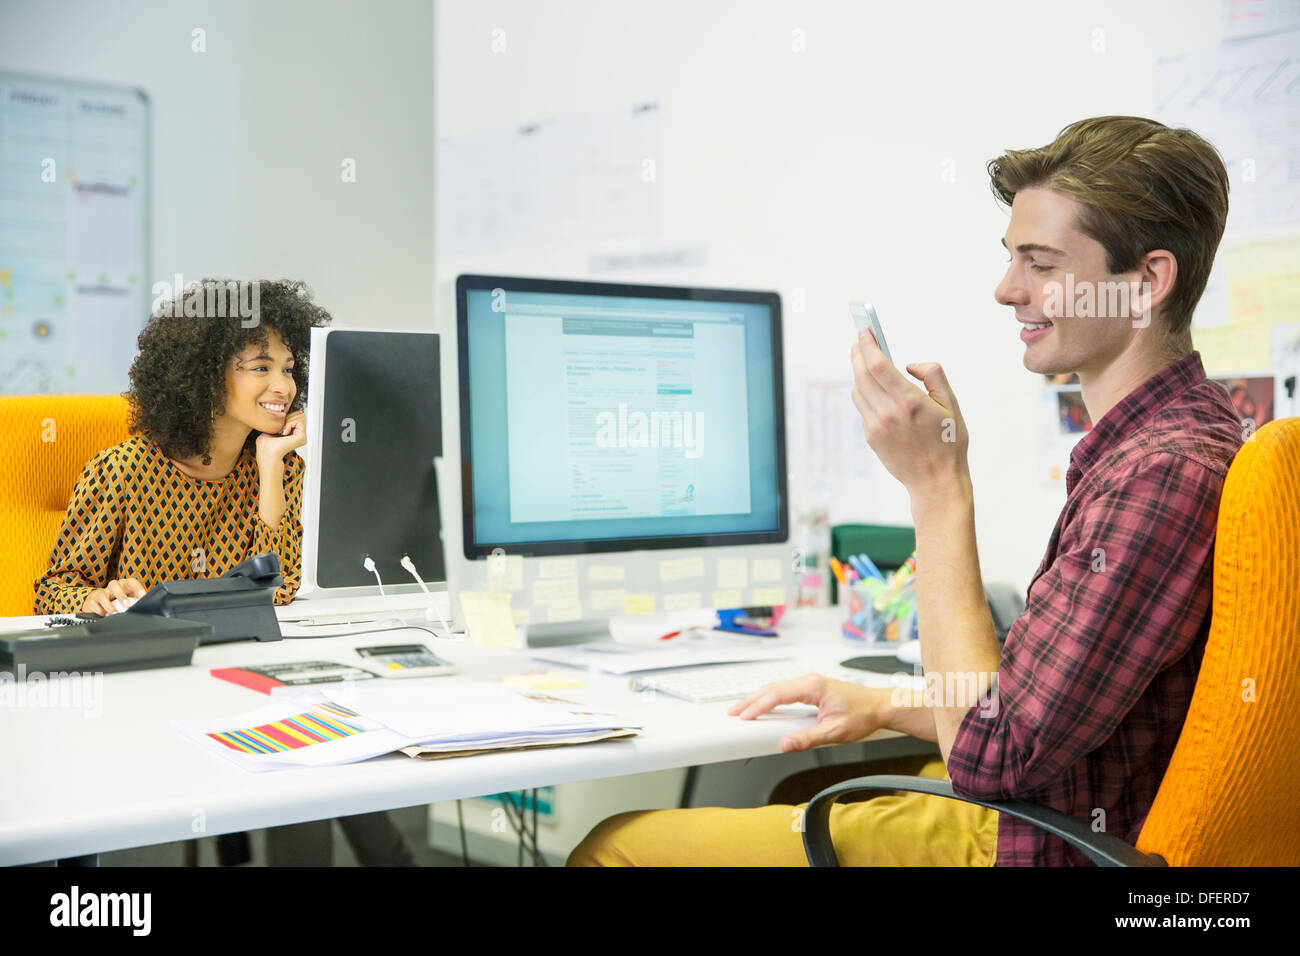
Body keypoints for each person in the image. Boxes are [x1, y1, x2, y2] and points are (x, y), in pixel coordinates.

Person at [569, 116, 1244, 866]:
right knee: (794, 782)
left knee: (616, 846)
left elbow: (993, 755)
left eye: (1042, 264)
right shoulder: (1192, 434)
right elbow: (1042, 711)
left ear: (1146, 282)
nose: (1006, 289)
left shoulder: (1159, 477)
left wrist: (937, 486)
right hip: (1073, 805)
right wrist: (886, 702)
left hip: (1051, 843)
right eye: (1011, 258)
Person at [34, 279, 414, 866]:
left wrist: (269, 468)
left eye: (289, 368)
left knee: (329, 741)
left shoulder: (279, 470)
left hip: (238, 674)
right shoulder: (124, 471)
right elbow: (53, 591)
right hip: (151, 688)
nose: (282, 386)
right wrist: (102, 598)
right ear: (207, 374)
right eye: (260, 367)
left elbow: (280, 586)